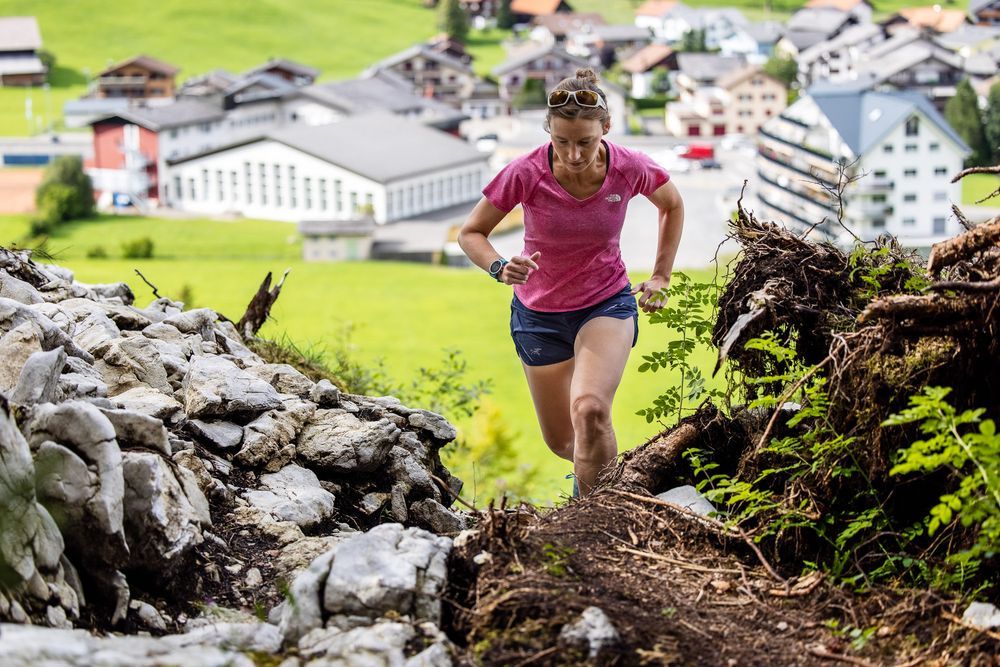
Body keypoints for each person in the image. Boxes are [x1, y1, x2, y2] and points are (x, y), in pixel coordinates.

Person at [458, 68, 684, 497]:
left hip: (606, 303)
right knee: (567, 442)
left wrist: (660, 275)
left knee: (592, 411)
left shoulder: (629, 167)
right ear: (549, 132)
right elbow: (471, 233)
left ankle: (597, 518)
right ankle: (613, 491)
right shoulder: (525, 172)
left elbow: (671, 204)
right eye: (562, 142)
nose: (574, 154)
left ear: (606, 129)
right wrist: (500, 267)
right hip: (538, 316)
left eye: (585, 142)